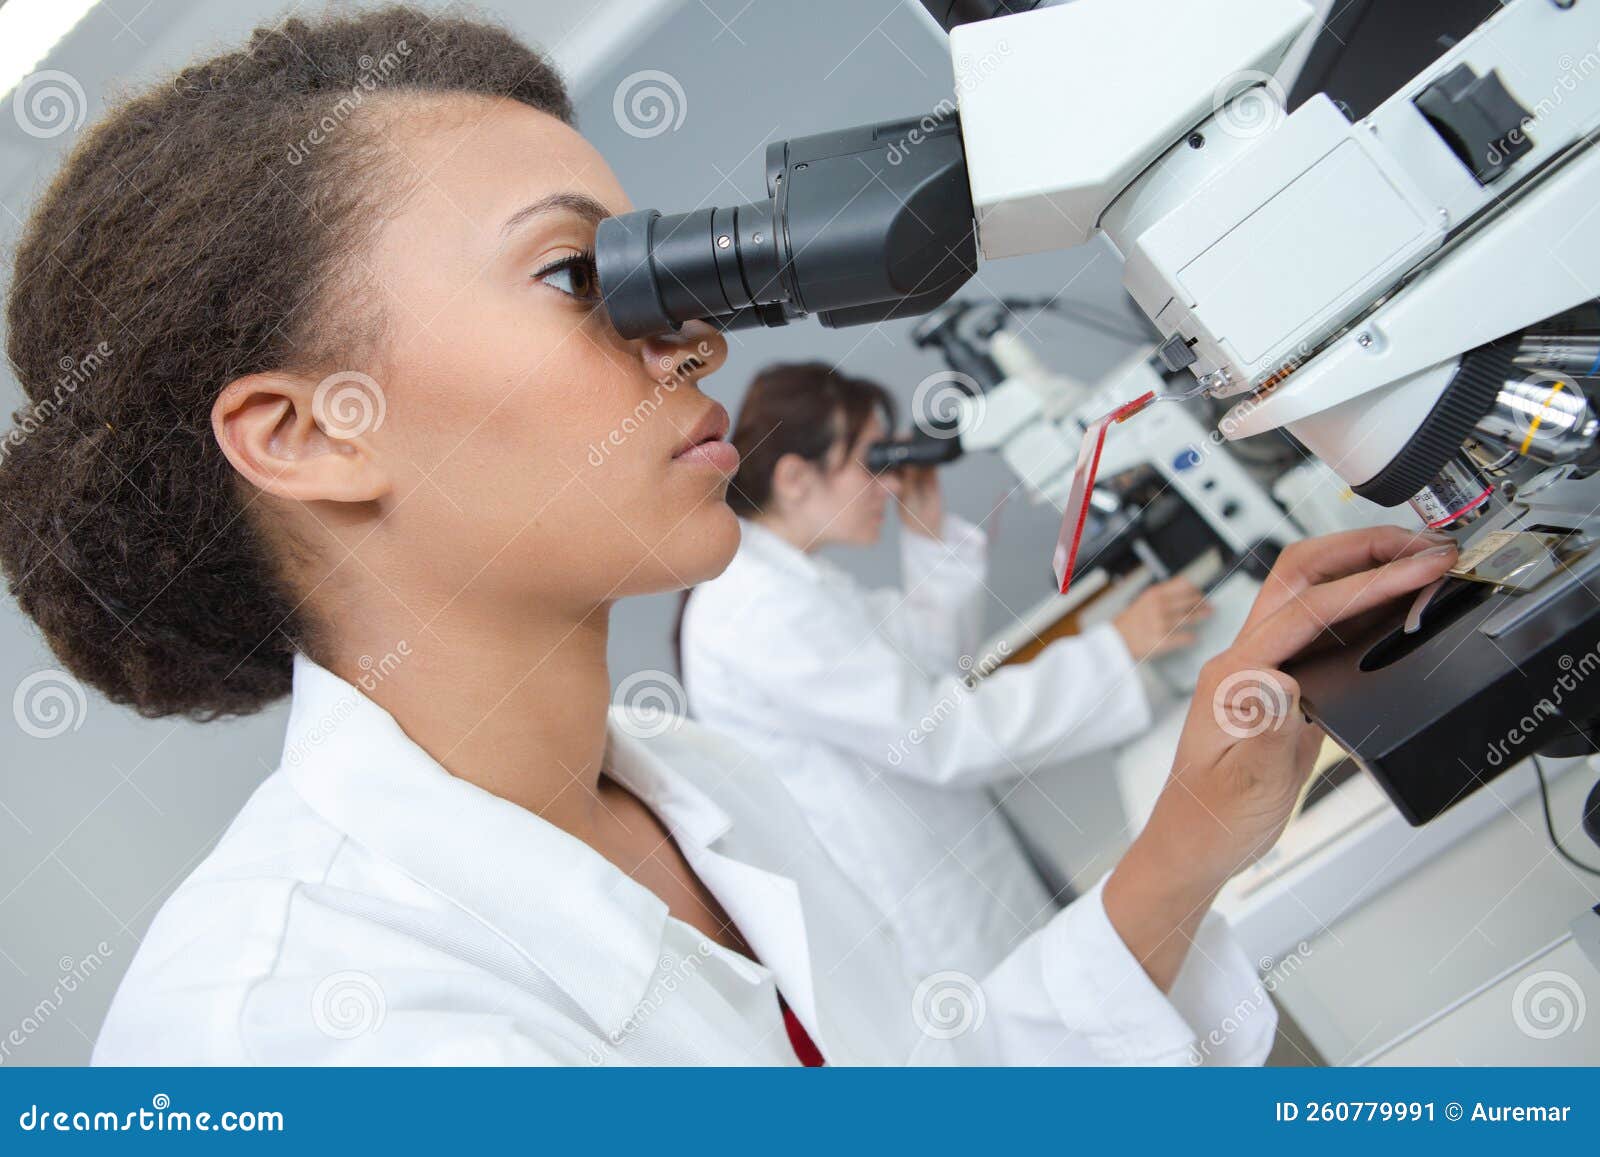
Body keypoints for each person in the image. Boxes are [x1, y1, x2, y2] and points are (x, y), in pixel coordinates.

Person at [0, 6, 1459, 1065]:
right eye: (583, 273)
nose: (689, 330)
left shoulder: (693, 790)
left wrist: (1198, 828)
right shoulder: (304, 1034)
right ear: (308, 433)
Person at [681, 362, 1212, 978]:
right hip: (931, 927)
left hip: (957, 880)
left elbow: (923, 674)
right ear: (797, 477)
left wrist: (929, 536)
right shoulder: (756, 608)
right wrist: (1115, 651)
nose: (887, 484)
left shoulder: (800, 586)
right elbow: (939, 733)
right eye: (870, 460)